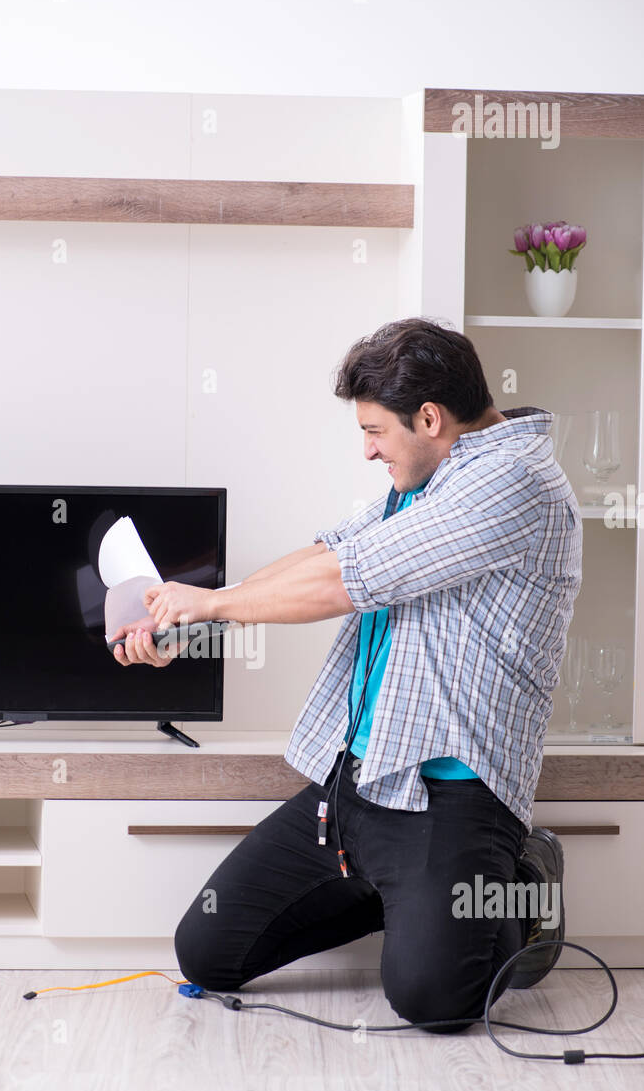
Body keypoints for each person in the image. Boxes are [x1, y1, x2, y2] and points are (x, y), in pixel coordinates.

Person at [109, 317, 584, 1032]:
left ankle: (519, 890)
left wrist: (210, 601)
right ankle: (407, 898)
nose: (366, 449)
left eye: (374, 432)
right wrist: (197, 620)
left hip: (448, 796)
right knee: (207, 951)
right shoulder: (432, 470)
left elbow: (353, 579)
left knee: (433, 1000)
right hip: (354, 784)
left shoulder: (511, 481)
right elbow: (330, 552)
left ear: (430, 417)